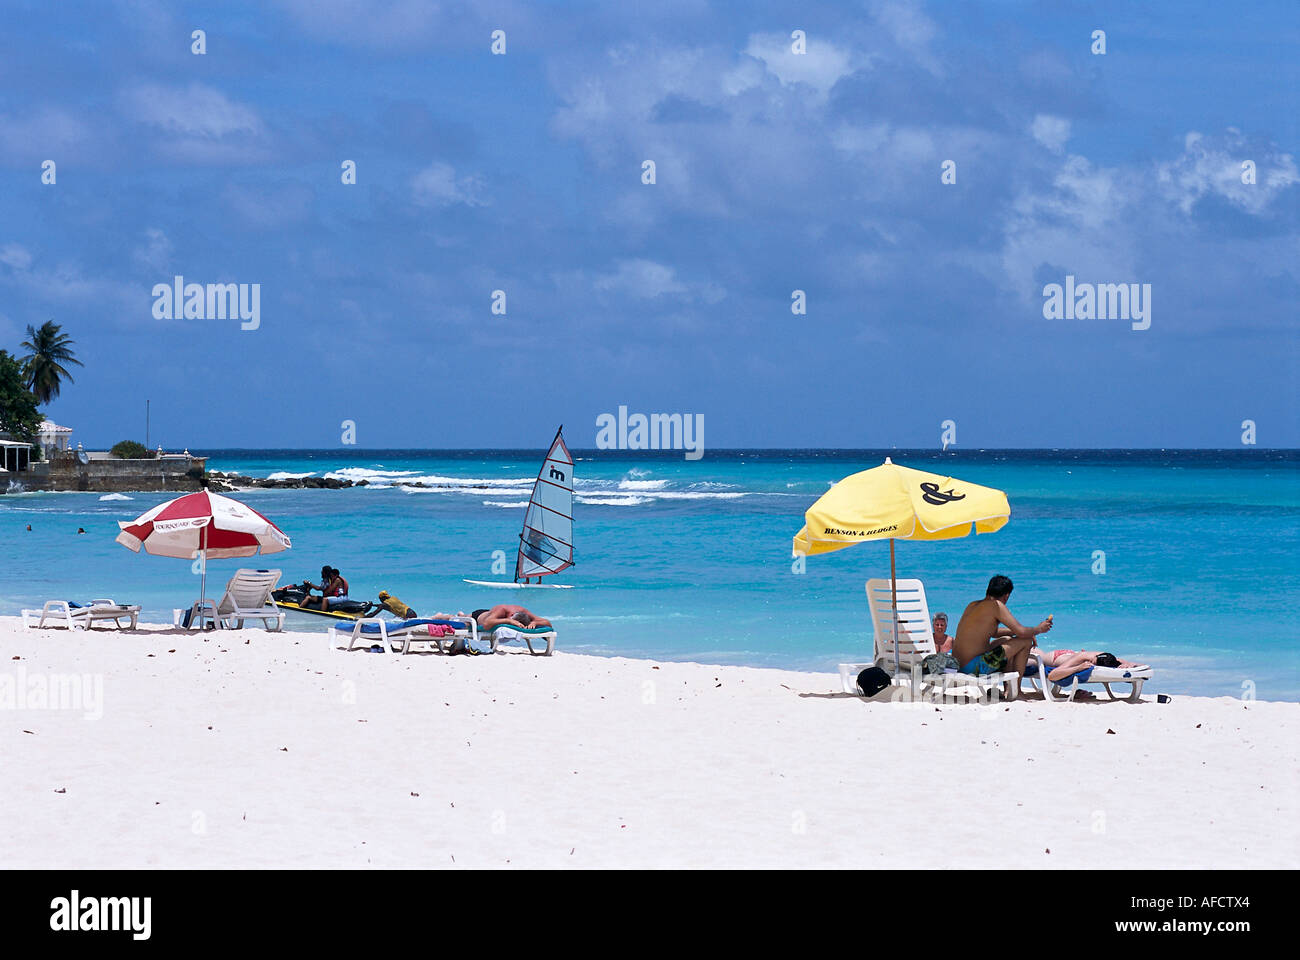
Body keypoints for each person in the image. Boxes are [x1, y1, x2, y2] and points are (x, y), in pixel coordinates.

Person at [952, 575, 1053, 696]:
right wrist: (1039, 629)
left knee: (1006, 639)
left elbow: (993, 633)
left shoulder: (973, 605)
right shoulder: (996, 606)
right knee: (1025, 641)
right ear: (1007, 595)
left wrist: (1014, 632)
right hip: (974, 668)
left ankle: (1007, 689)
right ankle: (1016, 691)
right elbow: (1021, 631)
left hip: (959, 664)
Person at [473, 604, 553, 630]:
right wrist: (509, 621)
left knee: (493, 615)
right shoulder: (502, 609)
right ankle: (461, 614)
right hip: (479, 616)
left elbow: (548, 623)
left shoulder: (524, 612)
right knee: (466, 617)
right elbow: (486, 624)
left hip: (493, 615)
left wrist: (534, 622)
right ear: (511, 616)